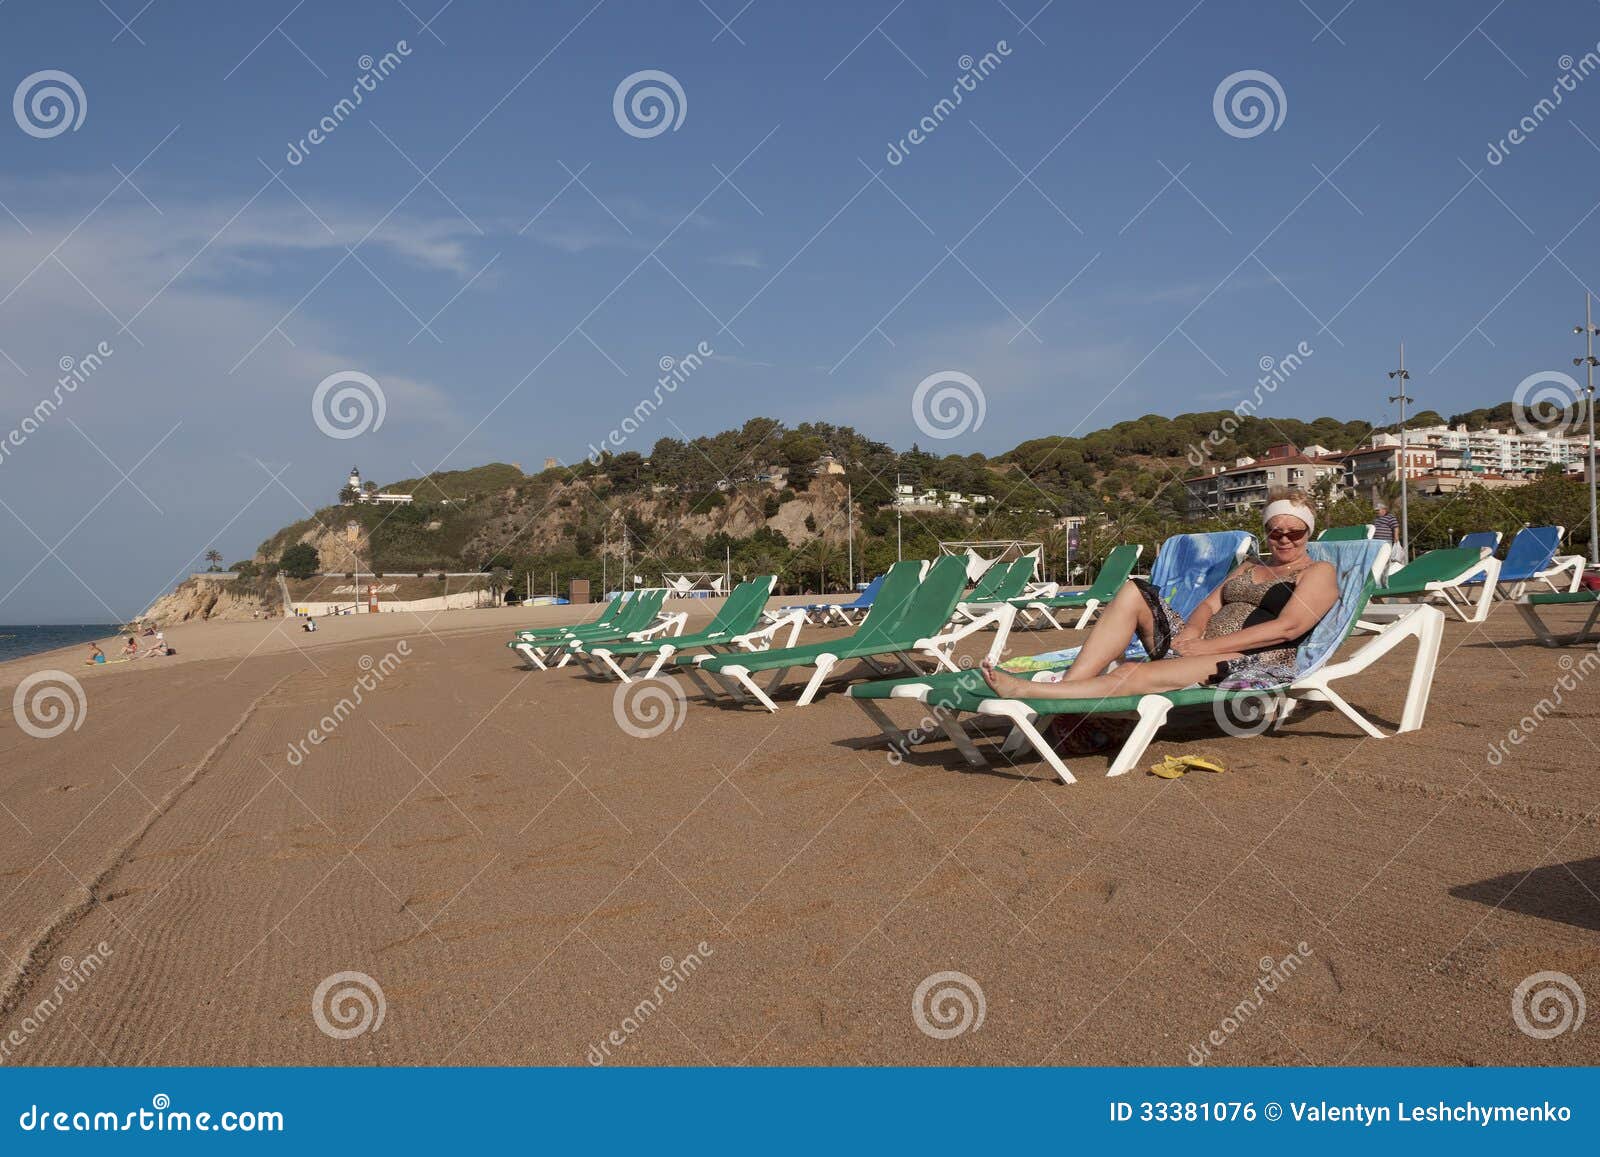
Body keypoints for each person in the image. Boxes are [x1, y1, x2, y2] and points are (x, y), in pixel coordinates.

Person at [980, 492, 1339, 702]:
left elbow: (1288, 628)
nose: (1284, 539)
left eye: (1295, 532)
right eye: (1275, 532)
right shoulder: (1250, 564)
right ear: (1267, 532)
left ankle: (1030, 692)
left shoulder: (1317, 572)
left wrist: (1207, 647)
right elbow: (1210, 604)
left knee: (1133, 672)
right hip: (1196, 646)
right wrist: (1192, 633)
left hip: (1251, 659)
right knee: (1134, 590)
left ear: (1308, 532)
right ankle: (1074, 685)